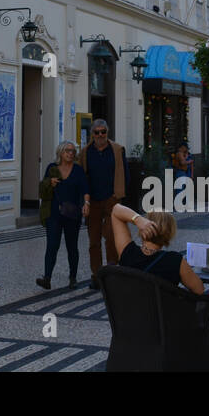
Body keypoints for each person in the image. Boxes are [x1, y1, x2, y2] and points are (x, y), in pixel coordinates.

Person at [109, 202, 204, 294]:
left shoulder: (128, 252)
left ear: (142, 228)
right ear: (169, 233)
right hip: (162, 310)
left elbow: (116, 210)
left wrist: (138, 220)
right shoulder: (175, 261)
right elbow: (199, 290)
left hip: (129, 309)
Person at [80, 119, 126, 289]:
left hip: (111, 199)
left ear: (107, 132)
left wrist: (118, 195)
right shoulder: (85, 152)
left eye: (103, 132)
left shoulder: (116, 149)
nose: (100, 135)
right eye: (97, 132)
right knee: (94, 240)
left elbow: (125, 173)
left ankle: (112, 272)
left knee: (111, 237)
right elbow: (82, 176)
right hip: (93, 201)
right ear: (92, 134)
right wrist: (84, 200)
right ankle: (97, 275)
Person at [36, 141, 88, 290]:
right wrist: (49, 183)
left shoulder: (78, 170)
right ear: (60, 152)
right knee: (52, 245)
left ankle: (73, 277)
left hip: (73, 214)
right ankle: (47, 278)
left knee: (72, 246)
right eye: (67, 151)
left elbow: (85, 188)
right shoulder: (52, 169)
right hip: (54, 213)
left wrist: (86, 204)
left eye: (72, 151)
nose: (70, 153)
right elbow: (42, 189)